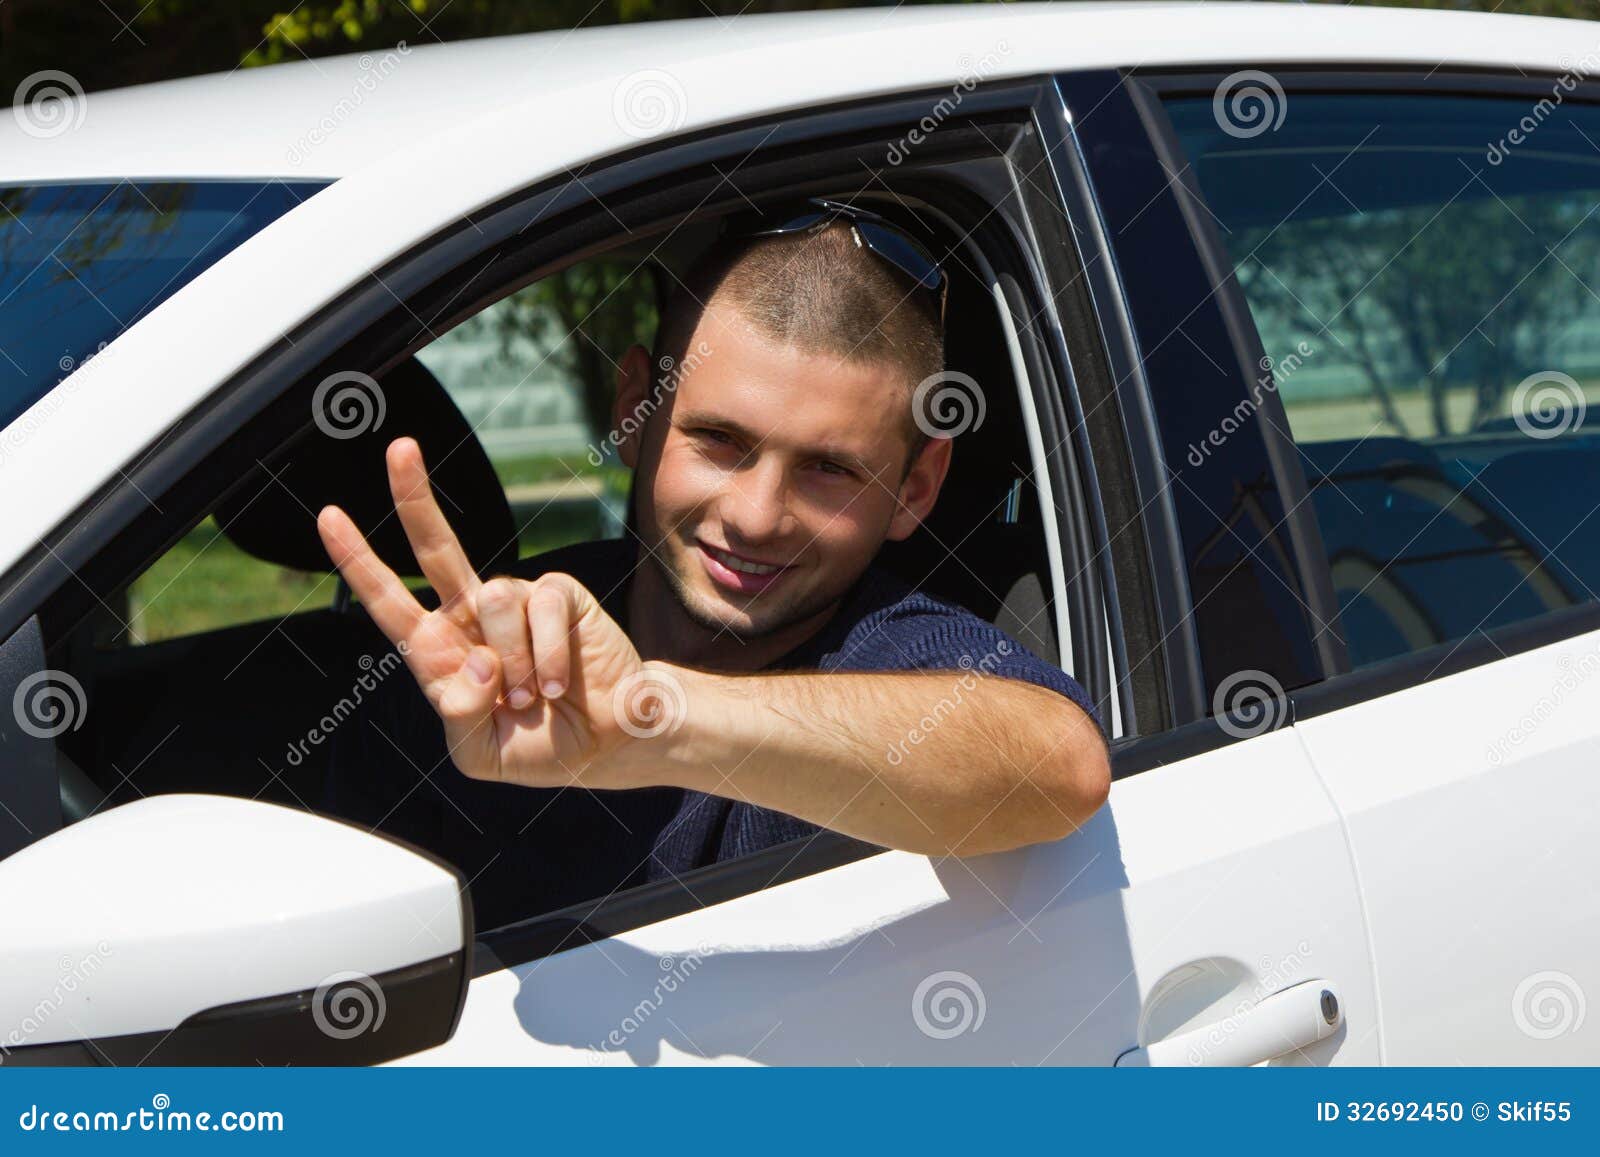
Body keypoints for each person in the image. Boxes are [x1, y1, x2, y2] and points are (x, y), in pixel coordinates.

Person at [318, 199, 1110, 929]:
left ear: (916, 487)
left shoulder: (892, 650)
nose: (757, 516)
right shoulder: (490, 656)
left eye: (829, 469)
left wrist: (653, 718)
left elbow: (1061, 764)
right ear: (634, 409)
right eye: (721, 442)